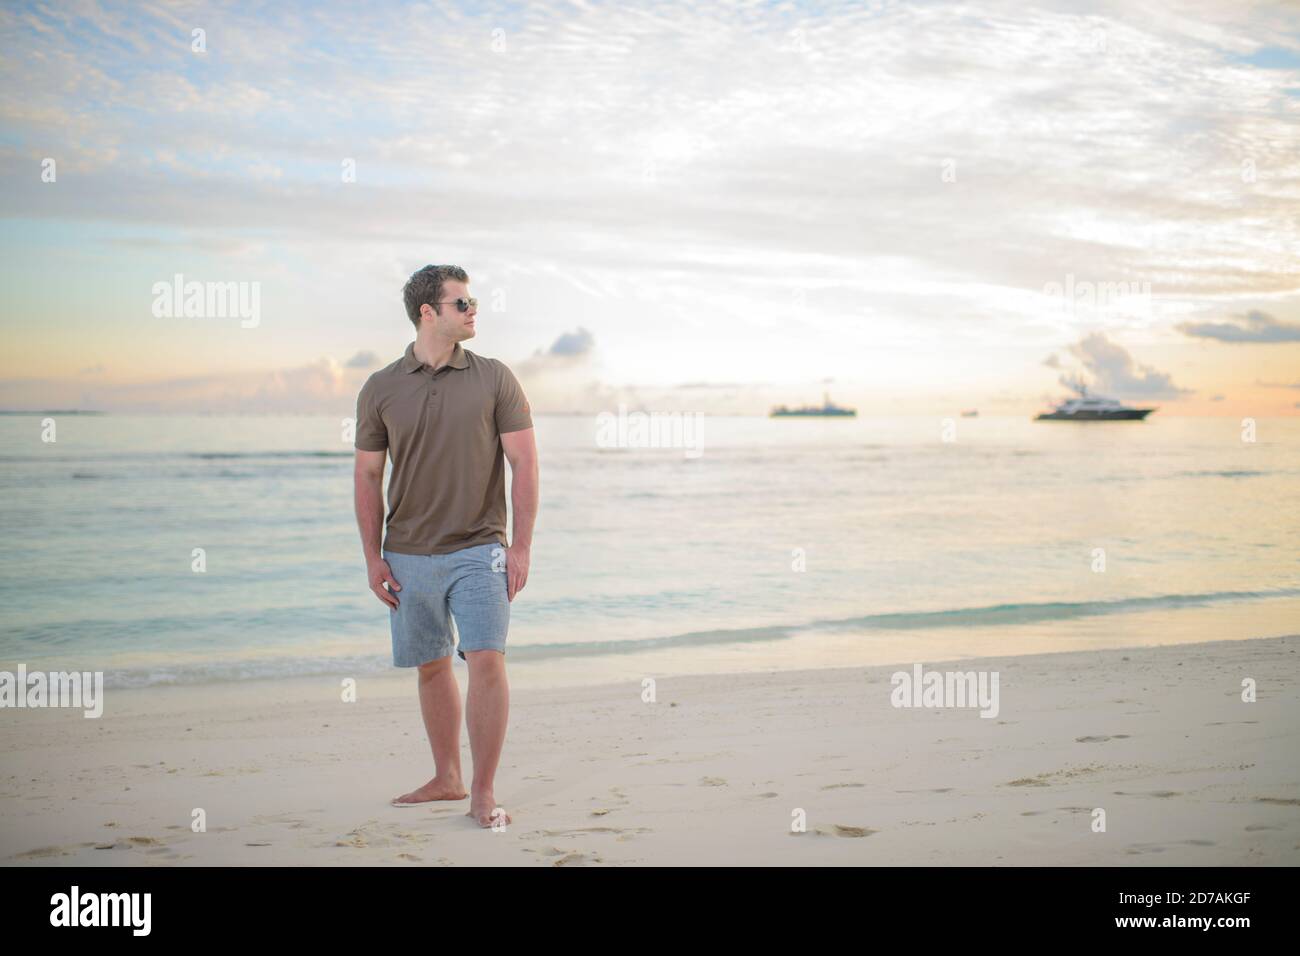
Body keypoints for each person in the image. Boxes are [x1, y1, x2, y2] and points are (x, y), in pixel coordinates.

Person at [352, 263, 538, 829]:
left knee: (486, 659)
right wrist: (373, 556)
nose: (473, 309)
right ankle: (447, 778)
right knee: (431, 667)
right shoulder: (381, 387)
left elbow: (524, 464)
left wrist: (521, 547)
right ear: (427, 313)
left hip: (480, 548)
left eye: (472, 301)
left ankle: (482, 792)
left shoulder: (495, 377)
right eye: (462, 303)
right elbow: (366, 478)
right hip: (407, 552)